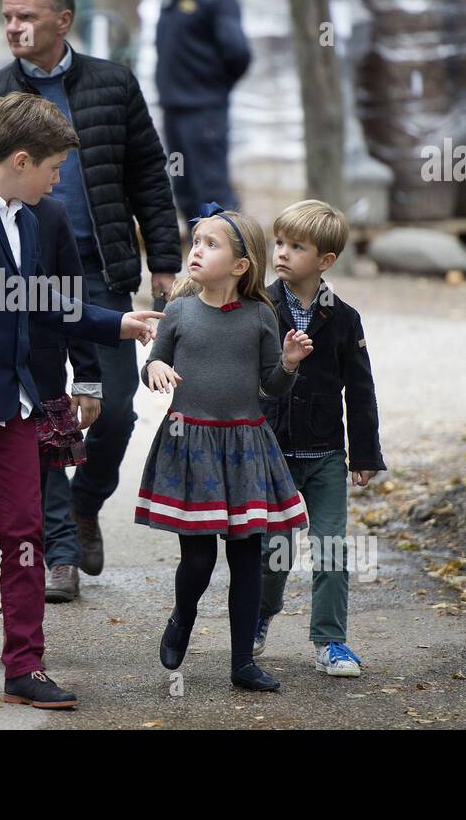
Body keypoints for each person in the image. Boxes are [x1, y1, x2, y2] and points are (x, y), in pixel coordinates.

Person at [0, 93, 164, 709]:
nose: (57, 180)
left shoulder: (34, 216)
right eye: (52, 169)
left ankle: (25, 666)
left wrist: (117, 324)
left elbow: (52, 303)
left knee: (24, 531)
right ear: (21, 160)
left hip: (19, 404)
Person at [0, 0, 182, 581]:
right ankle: (58, 551)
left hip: (98, 269)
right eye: (7, 16)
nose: (13, 27)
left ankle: (83, 506)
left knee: (118, 408)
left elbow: (149, 176)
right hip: (18, 282)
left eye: (27, 17)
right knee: (41, 414)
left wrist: (164, 263)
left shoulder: (113, 85)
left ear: (63, 21)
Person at [0, 96, 103, 650]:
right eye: (52, 169)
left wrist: (88, 374)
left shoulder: (47, 216)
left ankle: (25, 645)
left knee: (27, 506)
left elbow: (64, 299)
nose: (58, 182)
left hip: (37, 379)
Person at [136, 202, 312, 692]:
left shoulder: (260, 315)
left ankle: (242, 663)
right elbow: (152, 363)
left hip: (245, 447)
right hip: (189, 445)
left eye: (210, 244)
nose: (196, 250)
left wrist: (291, 361)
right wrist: (153, 369)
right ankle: (182, 617)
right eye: (196, 242)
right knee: (197, 560)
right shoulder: (178, 310)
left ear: (240, 266)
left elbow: (272, 386)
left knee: (247, 559)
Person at [259, 200, 385, 677]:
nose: (283, 254)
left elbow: (362, 389)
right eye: (279, 243)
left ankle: (331, 641)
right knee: (276, 550)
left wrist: (365, 453)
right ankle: (259, 617)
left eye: (296, 246)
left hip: (327, 456)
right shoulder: (260, 308)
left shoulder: (345, 318)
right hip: (273, 454)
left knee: (331, 548)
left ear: (326, 261)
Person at [154, 0, 252, 223]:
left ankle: (234, 260)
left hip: (204, 111)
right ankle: (202, 260)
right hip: (175, 109)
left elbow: (239, 53)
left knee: (211, 189)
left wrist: (212, 88)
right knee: (185, 189)